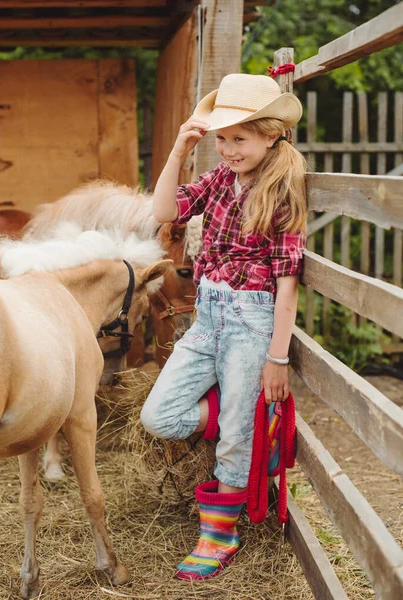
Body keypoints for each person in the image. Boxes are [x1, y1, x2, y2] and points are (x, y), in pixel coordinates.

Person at [140, 73, 307, 580]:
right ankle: (236, 418)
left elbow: (287, 285)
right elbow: (164, 211)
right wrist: (177, 150)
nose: (229, 149)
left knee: (235, 436)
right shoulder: (218, 179)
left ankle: (220, 534)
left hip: (251, 321)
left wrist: (277, 357)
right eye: (222, 137)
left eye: (241, 138)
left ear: (272, 135)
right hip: (207, 315)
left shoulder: (281, 190)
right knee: (159, 415)